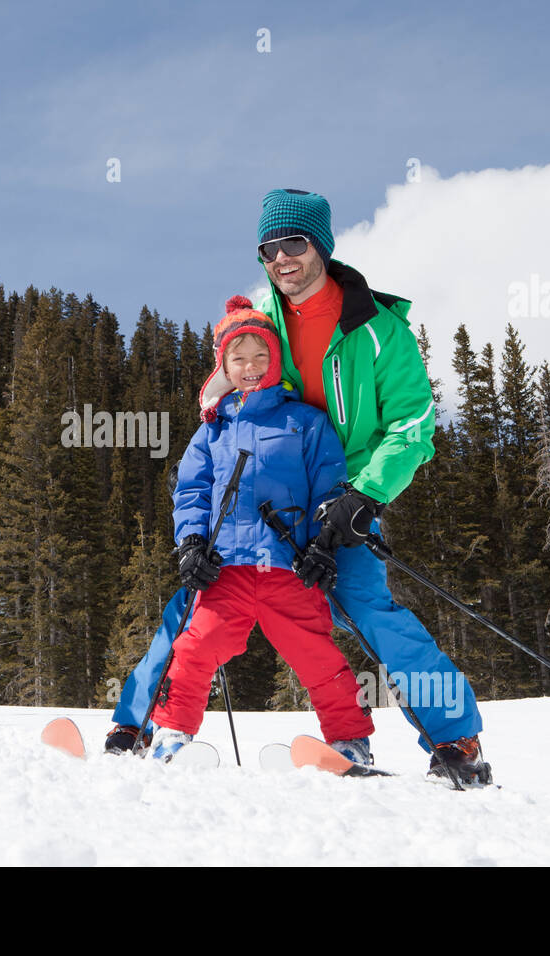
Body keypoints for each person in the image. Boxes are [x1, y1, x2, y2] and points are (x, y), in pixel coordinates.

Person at [110, 188, 491, 785]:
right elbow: (233, 372)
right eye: (268, 248)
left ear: (321, 246)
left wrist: (363, 495)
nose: (280, 258)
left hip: (349, 497)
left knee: (368, 610)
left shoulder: (378, 330)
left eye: (293, 243)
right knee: (192, 607)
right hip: (269, 506)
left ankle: (456, 741)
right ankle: (134, 726)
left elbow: (414, 425)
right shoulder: (264, 316)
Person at [145, 296, 374, 763]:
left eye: (260, 356)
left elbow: (328, 486)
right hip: (224, 570)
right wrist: (190, 544)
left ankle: (350, 741)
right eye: (239, 358)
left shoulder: (304, 421)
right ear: (224, 365)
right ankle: (170, 735)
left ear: (275, 359)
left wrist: (324, 545)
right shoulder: (212, 430)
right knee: (193, 650)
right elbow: (191, 490)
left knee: (320, 658)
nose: (250, 367)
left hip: (289, 566)